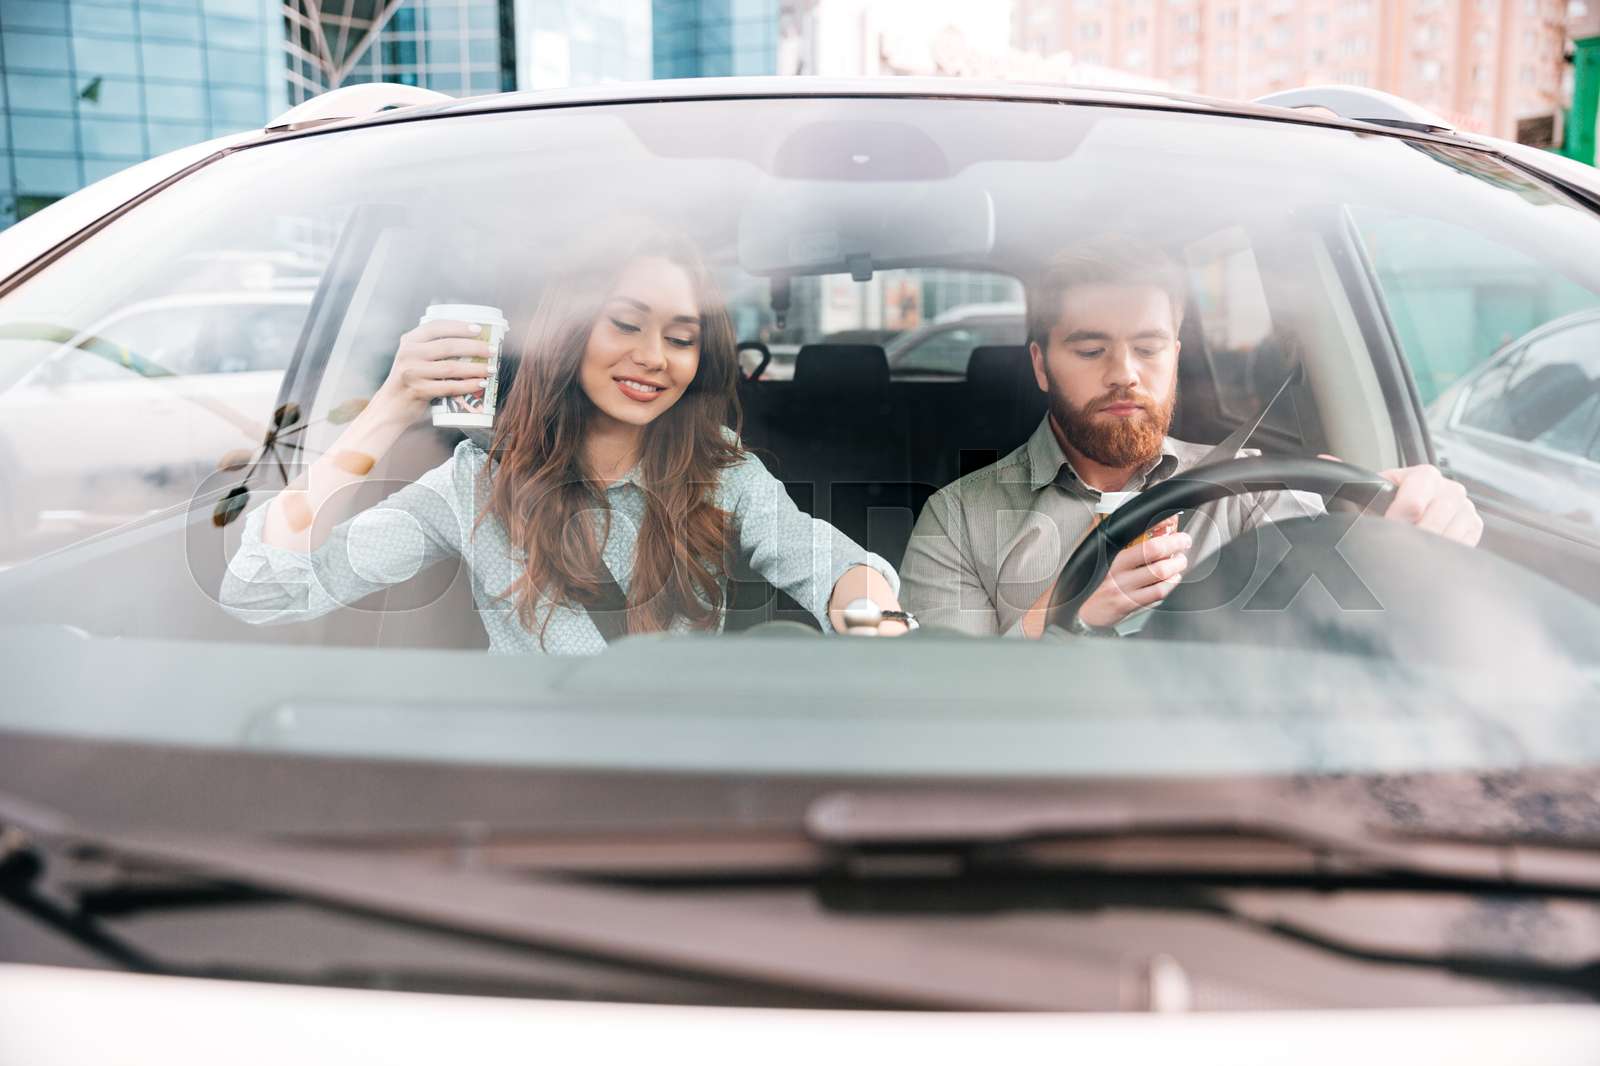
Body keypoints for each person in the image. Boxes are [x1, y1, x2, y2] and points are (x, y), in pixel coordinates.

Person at [220, 223, 909, 653]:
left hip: (680, 779)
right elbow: (263, 592)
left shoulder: (719, 470)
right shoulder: (475, 485)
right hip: (539, 791)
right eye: (626, 325)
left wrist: (881, 633)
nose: (653, 357)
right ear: (571, 330)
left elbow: (828, 566)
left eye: (681, 338)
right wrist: (388, 410)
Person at [898, 234, 1483, 639]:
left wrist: (1419, 534)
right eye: (1092, 350)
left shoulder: (1250, 487)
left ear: (1174, 357)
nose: (1125, 373)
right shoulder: (958, 518)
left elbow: (1349, 625)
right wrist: (1066, 612)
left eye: (1148, 349)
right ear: (1041, 365)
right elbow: (941, 704)